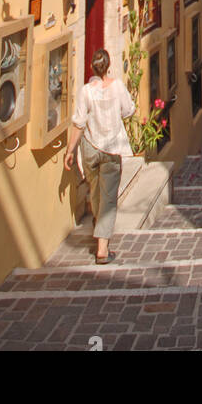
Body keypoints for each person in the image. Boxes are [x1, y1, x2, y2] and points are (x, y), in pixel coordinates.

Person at [64, 48, 135, 265]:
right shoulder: (118, 87)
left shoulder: (86, 91)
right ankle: (102, 247)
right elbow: (128, 110)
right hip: (111, 147)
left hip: (90, 147)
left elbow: (79, 122)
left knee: (95, 190)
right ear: (108, 66)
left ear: (92, 68)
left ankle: (99, 225)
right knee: (108, 197)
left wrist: (70, 150)